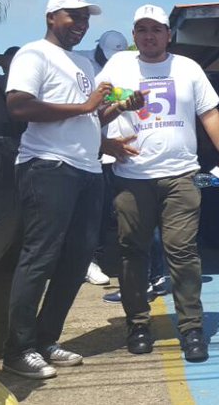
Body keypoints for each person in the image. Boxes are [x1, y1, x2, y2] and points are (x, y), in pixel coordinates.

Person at [2, 0, 133, 379]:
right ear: (51, 17)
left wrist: (116, 112)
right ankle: (17, 348)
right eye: (73, 17)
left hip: (87, 169)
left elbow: (89, 118)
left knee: (76, 261)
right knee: (39, 258)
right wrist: (87, 107)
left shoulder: (81, 64)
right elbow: (18, 106)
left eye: (85, 19)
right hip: (48, 166)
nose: (81, 24)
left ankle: (45, 340)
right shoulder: (33, 54)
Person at [99, 4, 219, 363]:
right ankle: (138, 323)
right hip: (132, 176)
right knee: (133, 253)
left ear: (168, 34)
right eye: (142, 29)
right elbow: (98, 108)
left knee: (183, 253)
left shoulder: (187, 68)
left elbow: (209, 113)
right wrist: (120, 104)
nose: (149, 35)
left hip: (180, 175)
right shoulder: (119, 66)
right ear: (134, 35)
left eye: (156, 29)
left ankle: (191, 328)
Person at [85, 29, 130, 287]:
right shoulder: (82, 61)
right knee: (94, 211)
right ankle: (89, 260)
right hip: (90, 148)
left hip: (116, 150)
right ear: (99, 48)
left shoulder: (126, 66)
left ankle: (100, 256)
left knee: (112, 211)